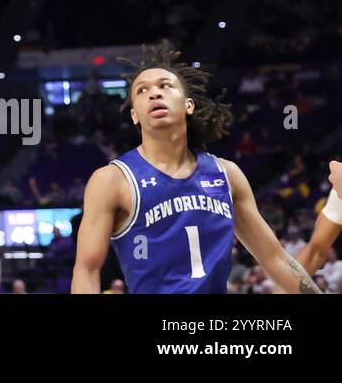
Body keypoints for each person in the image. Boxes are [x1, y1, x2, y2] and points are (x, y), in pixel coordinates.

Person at [72, 42, 322, 294]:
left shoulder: (227, 174)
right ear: (135, 115)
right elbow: (87, 270)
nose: (154, 94)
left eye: (165, 86)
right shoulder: (112, 180)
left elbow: (275, 259)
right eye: (142, 90)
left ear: (189, 105)